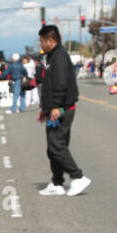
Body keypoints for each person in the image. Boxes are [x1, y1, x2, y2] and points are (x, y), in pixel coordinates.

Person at [36, 24, 90, 196]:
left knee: (56, 145)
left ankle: (78, 176)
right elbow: (49, 85)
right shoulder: (52, 56)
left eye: (42, 41)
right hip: (54, 109)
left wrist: (56, 107)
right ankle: (57, 182)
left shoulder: (59, 57)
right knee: (54, 146)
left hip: (62, 109)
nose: (41, 45)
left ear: (50, 40)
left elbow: (60, 85)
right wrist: (45, 109)